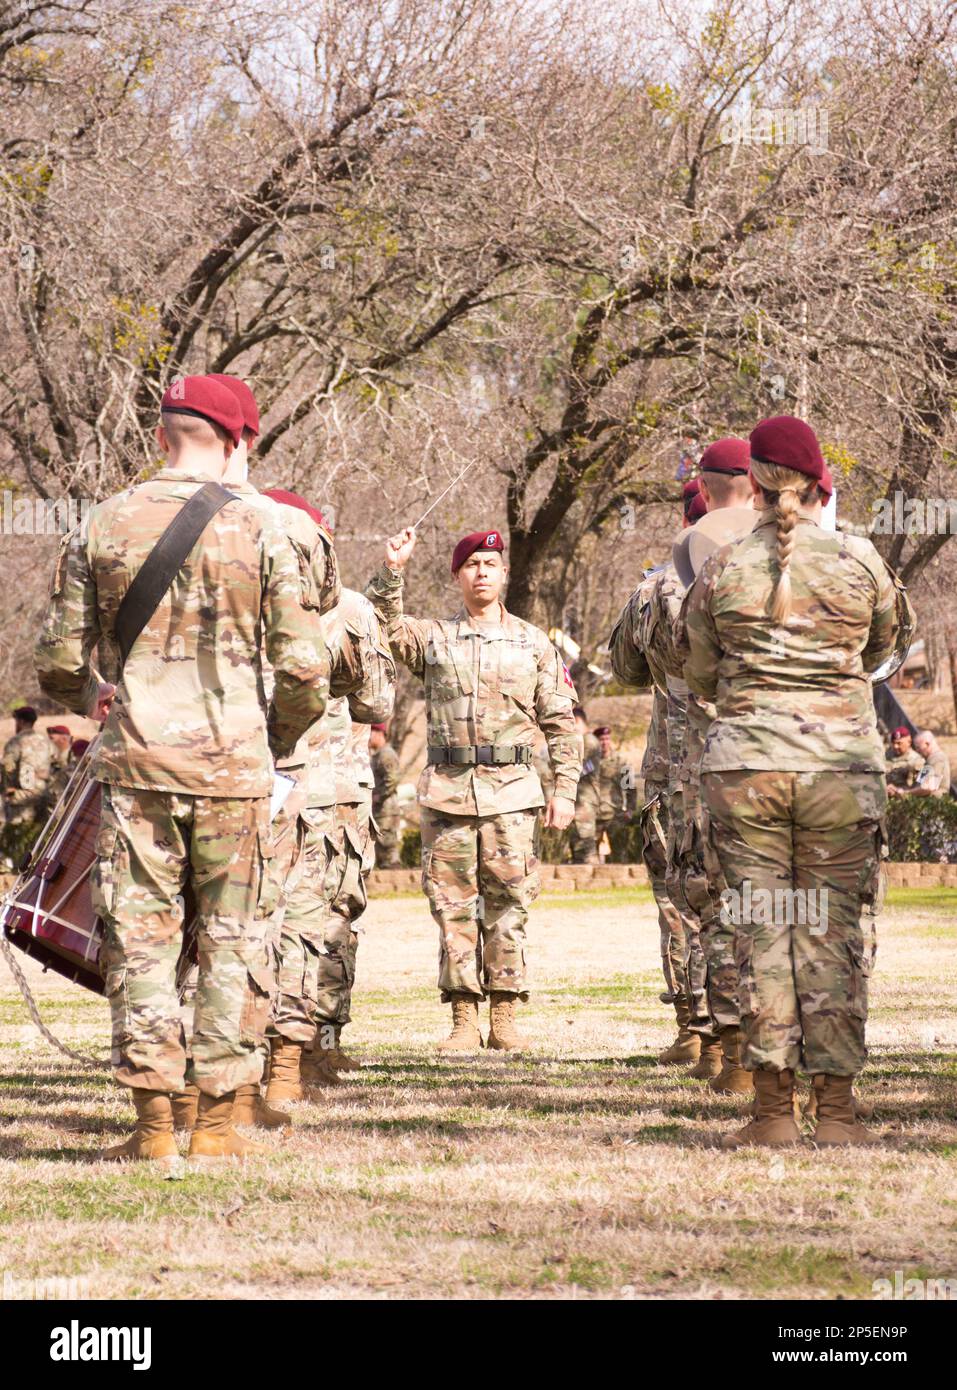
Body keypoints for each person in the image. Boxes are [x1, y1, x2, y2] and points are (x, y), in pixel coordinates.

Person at [34, 375, 332, 1169]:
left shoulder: (101, 522)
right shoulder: (272, 527)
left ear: (163, 432)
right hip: (235, 770)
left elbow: (59, 663)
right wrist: (275, 740)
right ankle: (219, 1126)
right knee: (236, 943)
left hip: (136, 767)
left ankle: (154, 1127)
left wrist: (96, 693)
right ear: (239, 439)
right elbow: (305, 668)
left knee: (140, 947)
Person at [682, 414, 914, 1148]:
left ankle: (772, 1114)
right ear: (821, 484)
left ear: (750, 483)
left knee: (762, 933)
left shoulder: (721, 566)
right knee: (829, 934)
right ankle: (838, 1115)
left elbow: (695, 668)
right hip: (838, 771)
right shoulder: (860, 562)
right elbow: (884, 644)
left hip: (745, 769)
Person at [367, 526, 581, 1050]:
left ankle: (505, 1016)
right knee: (451, 906)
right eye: (471, 566)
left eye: (491, 565)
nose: (482, 573)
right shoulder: (435, 638)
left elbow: (561, 721)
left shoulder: (534, 643)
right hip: (448, 793)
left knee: (511, 903)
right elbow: (382, 627)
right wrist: (393, 571)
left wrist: (567, 789)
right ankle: (464, 1019)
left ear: (504, 574)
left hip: (513, 794)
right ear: (457, 576)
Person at [1, 705, 52, 865]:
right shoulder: (45, 740)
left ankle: (16, 866)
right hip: (43, 792)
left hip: (23, 794)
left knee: (17, 832)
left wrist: (7, 789)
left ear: (21, 721)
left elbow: (7, 767)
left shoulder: (16, 741)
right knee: (39, 832)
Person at [591, 726, 636, 857]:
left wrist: (630, 809)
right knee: (587, 858)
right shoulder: (588, 761)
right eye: (601, 739)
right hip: (593, 816)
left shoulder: (621, 762)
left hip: (614, 815)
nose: (604, 742)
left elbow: (630, 787)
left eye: (607, 739)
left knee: (619, 856)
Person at [568, 707, 602, 863]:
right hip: (580, 799)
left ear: (577, 721)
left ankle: (594, 881)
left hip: (585, 800)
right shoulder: (584, 740)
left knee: (586, 845)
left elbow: (580, 767)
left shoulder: (589, 741)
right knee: (578, 845)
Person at [370, 724, 402, 868]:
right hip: (381, 810)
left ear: (379, 733)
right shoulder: (378, 755)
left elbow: (393, 778)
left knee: (388, 848)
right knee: (382, 849)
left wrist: (379, 796)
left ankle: (395, 883)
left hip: (386, 810)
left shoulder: (386, 754)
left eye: (370, 733)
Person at [894, 729, 951, 798]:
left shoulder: (937, 759)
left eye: (918, 747)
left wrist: (906, 793)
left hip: (933, 805)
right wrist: (898, 790)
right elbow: (919, 784)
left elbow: (929, 787)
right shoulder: (930, 760)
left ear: (927, 744)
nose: (917, 751)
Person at [885, 726, 924, 792]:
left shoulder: (917, 760)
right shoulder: (886, 755)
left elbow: (919, 786)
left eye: (899, 743)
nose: (895, 746)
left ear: (909, 742)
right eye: (893, 743)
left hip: (904, 799)